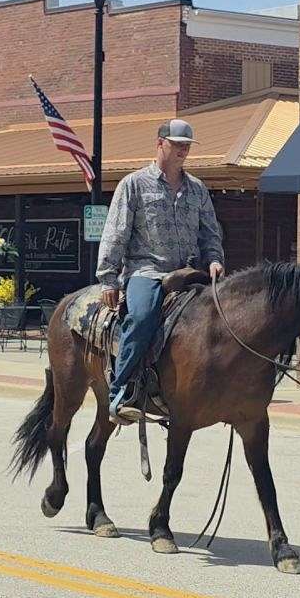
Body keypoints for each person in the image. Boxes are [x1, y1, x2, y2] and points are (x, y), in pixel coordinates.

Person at [97, 118, 225, 421]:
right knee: (142, 316)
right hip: (147, 271)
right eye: (177, 145)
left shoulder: (197, 189)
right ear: (160, 144)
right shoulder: (134, 184)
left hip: (190, 272)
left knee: (225, 314)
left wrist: (215, 259)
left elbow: (210, 232)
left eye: (187, 146)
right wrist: (108, 280)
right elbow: (115, 233)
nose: (183, 151)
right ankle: (122, 390)